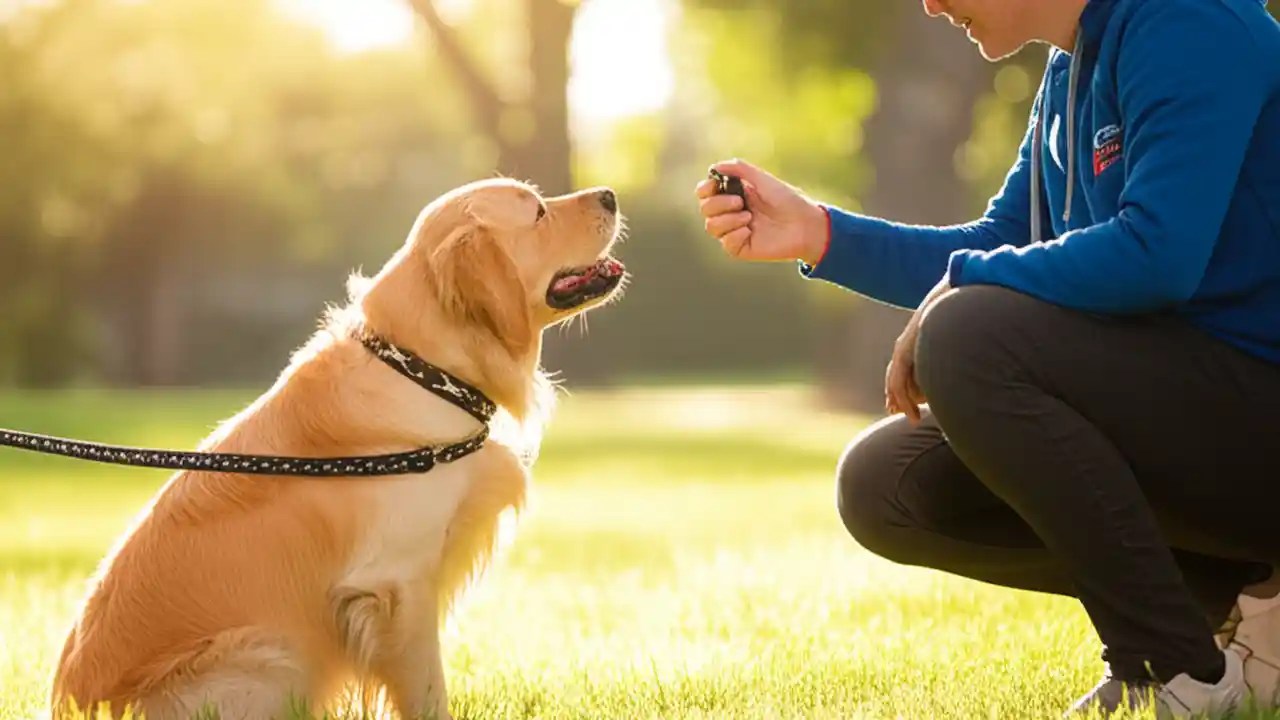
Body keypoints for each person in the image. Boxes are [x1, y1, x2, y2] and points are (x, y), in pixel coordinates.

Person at [695, 0, 1280, 717]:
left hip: (1257, 413)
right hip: (1197, 422)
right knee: (887, 484)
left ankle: (1178, 669)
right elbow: (1004, 243)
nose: (931, 4)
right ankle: (1242, 600)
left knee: (970, 336)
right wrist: (819, 234)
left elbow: (1157, 255)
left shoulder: (1189, 21)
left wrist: (964, 288)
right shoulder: (1070, 69)